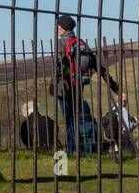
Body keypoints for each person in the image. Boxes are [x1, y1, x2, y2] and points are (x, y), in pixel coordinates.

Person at [50, 15, 125, 155]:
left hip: (63, 88)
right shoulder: (81, 43)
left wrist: (54, 85)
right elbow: (99, 67)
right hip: (78, 87)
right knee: (75, 118)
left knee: (69, 120)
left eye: (58, 26)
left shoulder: (60, 44)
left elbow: (58, 67)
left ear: (61, 28)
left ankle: (72, 150)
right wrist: (116, 88)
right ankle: (78, 148)